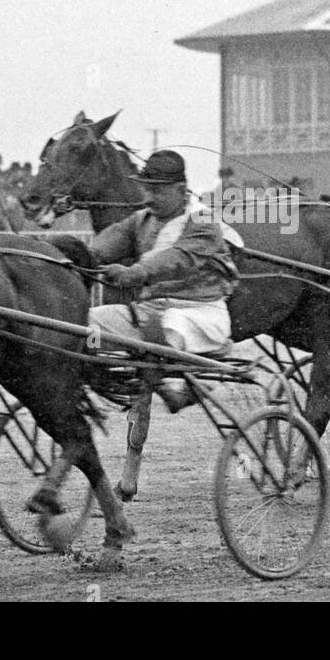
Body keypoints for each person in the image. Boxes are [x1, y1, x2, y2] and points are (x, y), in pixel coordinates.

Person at [86, 150, 239, 501]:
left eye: (158, 189)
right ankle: (126, 385)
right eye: (146, 188)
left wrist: (133, 273)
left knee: (162, 333)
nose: (150, 196)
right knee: (88, 326)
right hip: (151, 314)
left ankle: (179, 388)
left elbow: (177, 259)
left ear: (181, 189)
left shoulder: (202, 221)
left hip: (201, 315)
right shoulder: (141, 220)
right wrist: (69, 258)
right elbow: (104, 244)